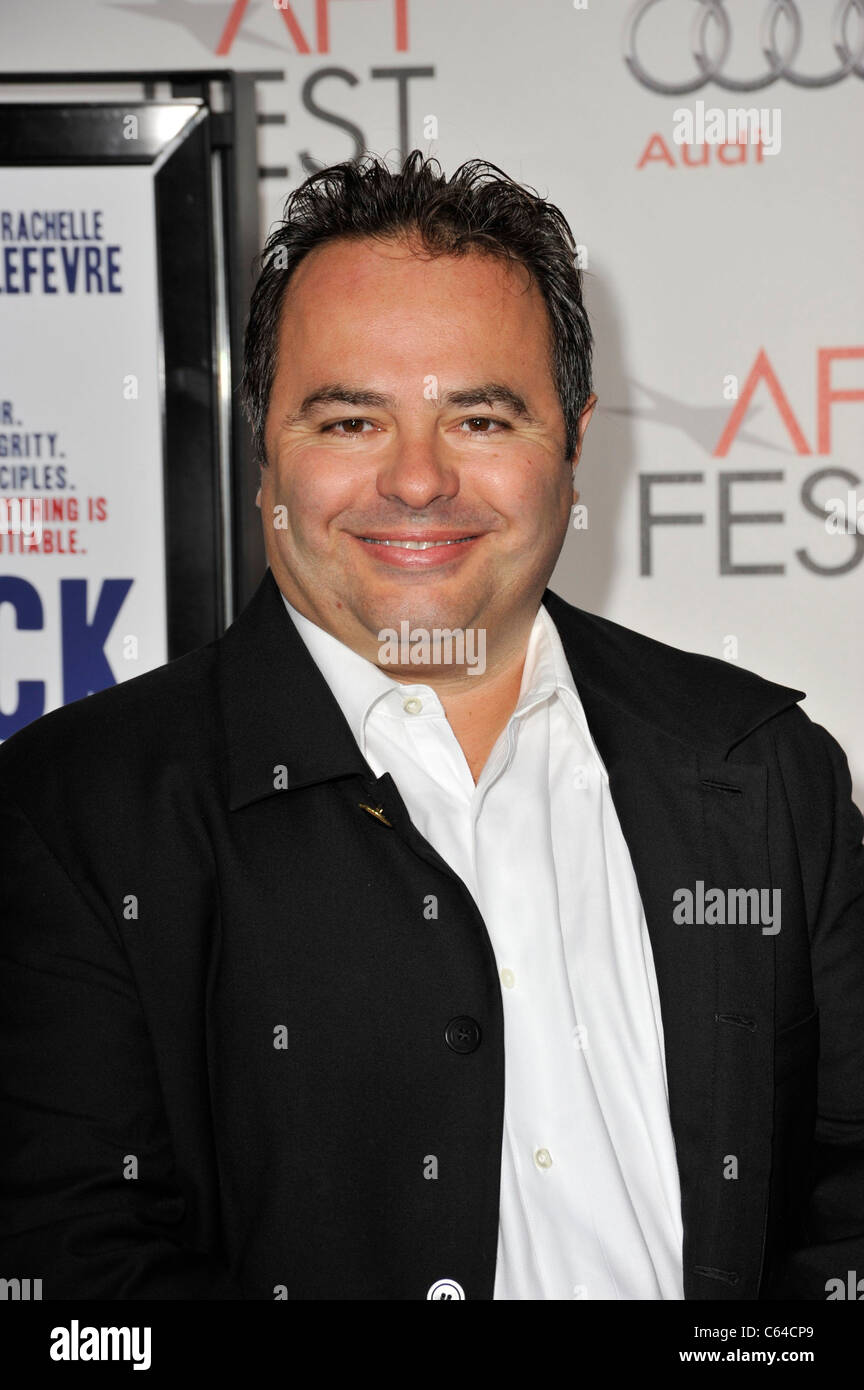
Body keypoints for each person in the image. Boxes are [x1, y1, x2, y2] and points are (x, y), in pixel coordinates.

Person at [1, 151, 862, 1302]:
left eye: (482, 416)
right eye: (351, 419)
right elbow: (74, 1283)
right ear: (266, 443)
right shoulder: (76, 810)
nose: (416, 480)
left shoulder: (763, 768)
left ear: (573, 440)